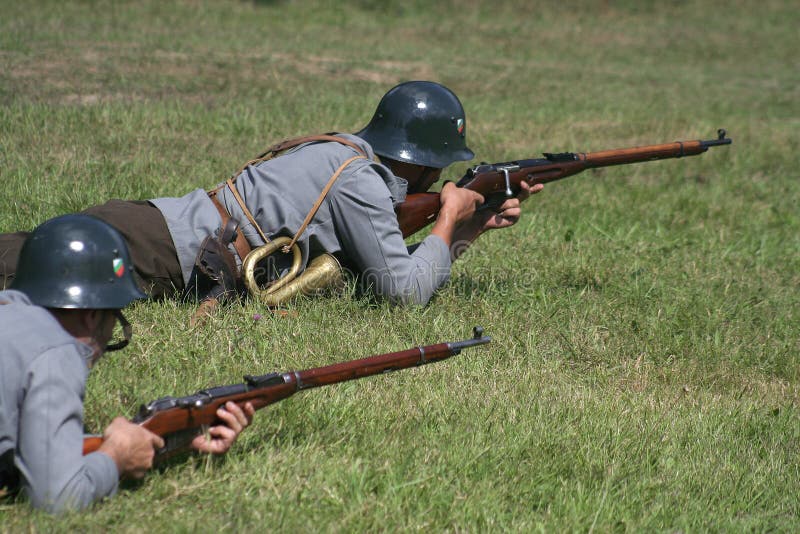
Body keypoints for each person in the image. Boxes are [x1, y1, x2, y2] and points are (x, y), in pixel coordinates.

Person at [0, 81, 541, 305]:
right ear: (422, 159)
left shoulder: (350, 153)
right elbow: (400, 293)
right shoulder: (361, 181)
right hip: (161, 246)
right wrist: (448, 221)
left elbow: (379, 267)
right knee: (24, 269)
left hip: (163, 234)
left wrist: (465, 229)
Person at [0, 214, 255, 513]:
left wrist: (177, 439)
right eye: (115, 319)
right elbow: (58, 497)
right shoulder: (56, 352)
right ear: (94, 315)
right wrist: (117, 456)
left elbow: (36, 448)